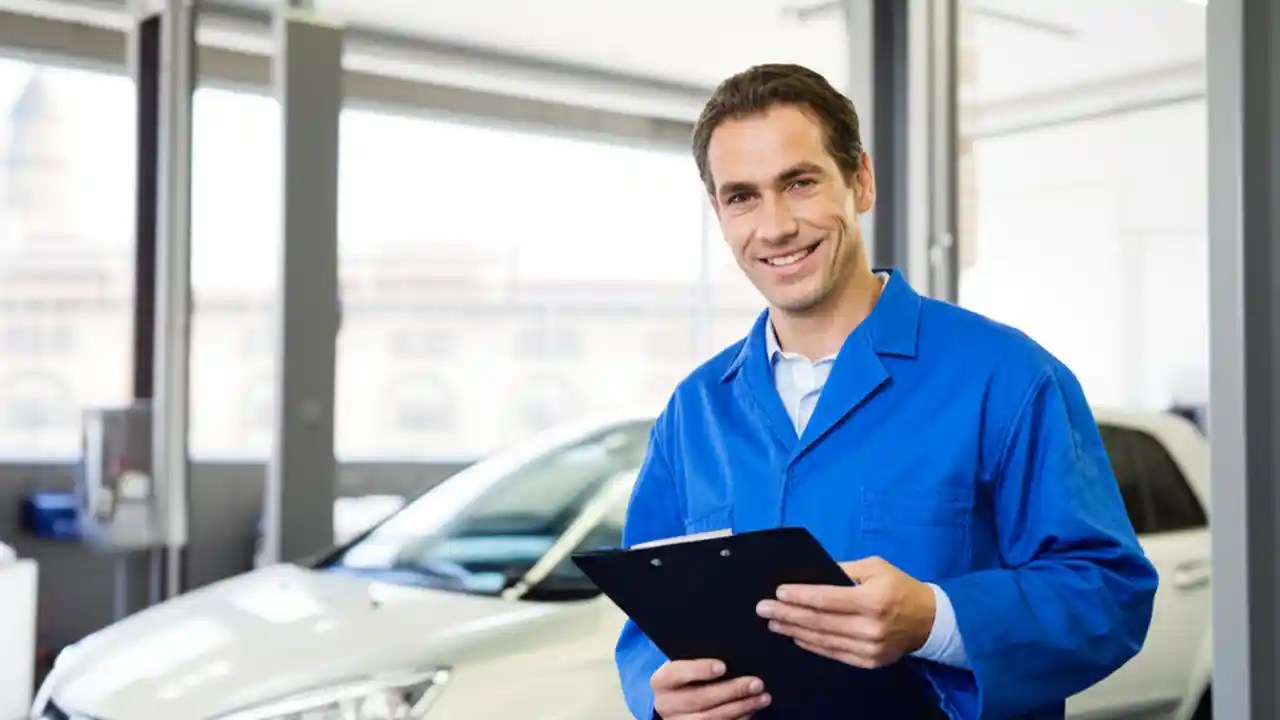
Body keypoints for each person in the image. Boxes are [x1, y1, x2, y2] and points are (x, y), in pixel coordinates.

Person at [614, 63, 1158, 720]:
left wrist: (935, 619)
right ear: (719, 213)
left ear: (861, 181)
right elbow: (648, 613)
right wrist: (660, 696)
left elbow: (1109, 596)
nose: (776, 225)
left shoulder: (1008, 377)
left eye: (800, 182)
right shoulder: (693, 412)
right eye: (743, 196)